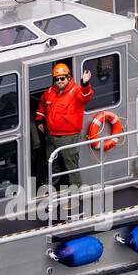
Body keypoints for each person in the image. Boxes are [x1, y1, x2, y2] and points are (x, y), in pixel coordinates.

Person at [35, 62, 93, 191]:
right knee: (52, 163)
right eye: (56, 79)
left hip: (69, 137)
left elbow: (86, 96)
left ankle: (75, 192)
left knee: (71, 165)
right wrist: (39, 120)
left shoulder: (76, 91)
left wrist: (85, 84)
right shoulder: (49, 92)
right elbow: (42, 106)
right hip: (51, 136)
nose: (59, 81)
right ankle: (52, 188)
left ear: (68, 77)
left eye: (62, 78)